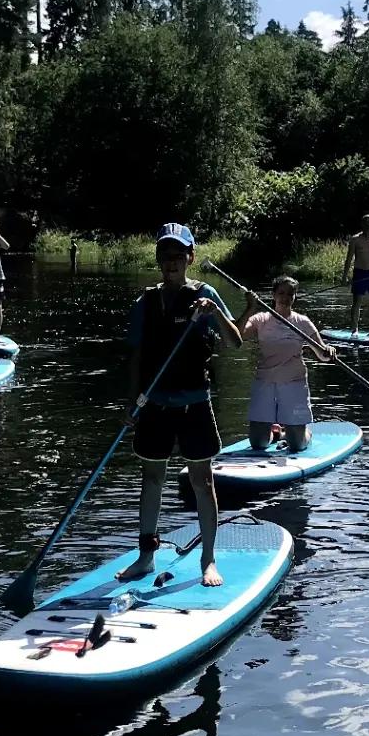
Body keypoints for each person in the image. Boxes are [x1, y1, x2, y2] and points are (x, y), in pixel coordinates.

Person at [119, 222, 242, 588]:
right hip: (154, 404)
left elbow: (235, 341)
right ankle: (145, 556)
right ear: (158, 260)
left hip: (194, 404)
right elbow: (137, 357)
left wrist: (214, 313)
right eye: (164, 255)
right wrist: (130, 403)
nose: (170, 262)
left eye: (177, 255)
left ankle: (208, 560)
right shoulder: (145, 302)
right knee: (152, 477)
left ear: (191, 257)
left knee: (203, 481)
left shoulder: (206, 294)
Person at [242, 276, 333, 454]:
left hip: (294, 382)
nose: (285, 298)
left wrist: (328, 350)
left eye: (290, 294)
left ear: (295, 297)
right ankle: (276, 434)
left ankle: (303, 432)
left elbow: (322, 354)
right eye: (281, 293)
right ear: (273, 295)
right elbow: (239, 336)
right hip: (265, 382)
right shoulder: (260, 319)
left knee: (297, 445)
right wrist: (249, 307)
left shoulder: (302, 322)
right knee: (258, 443)